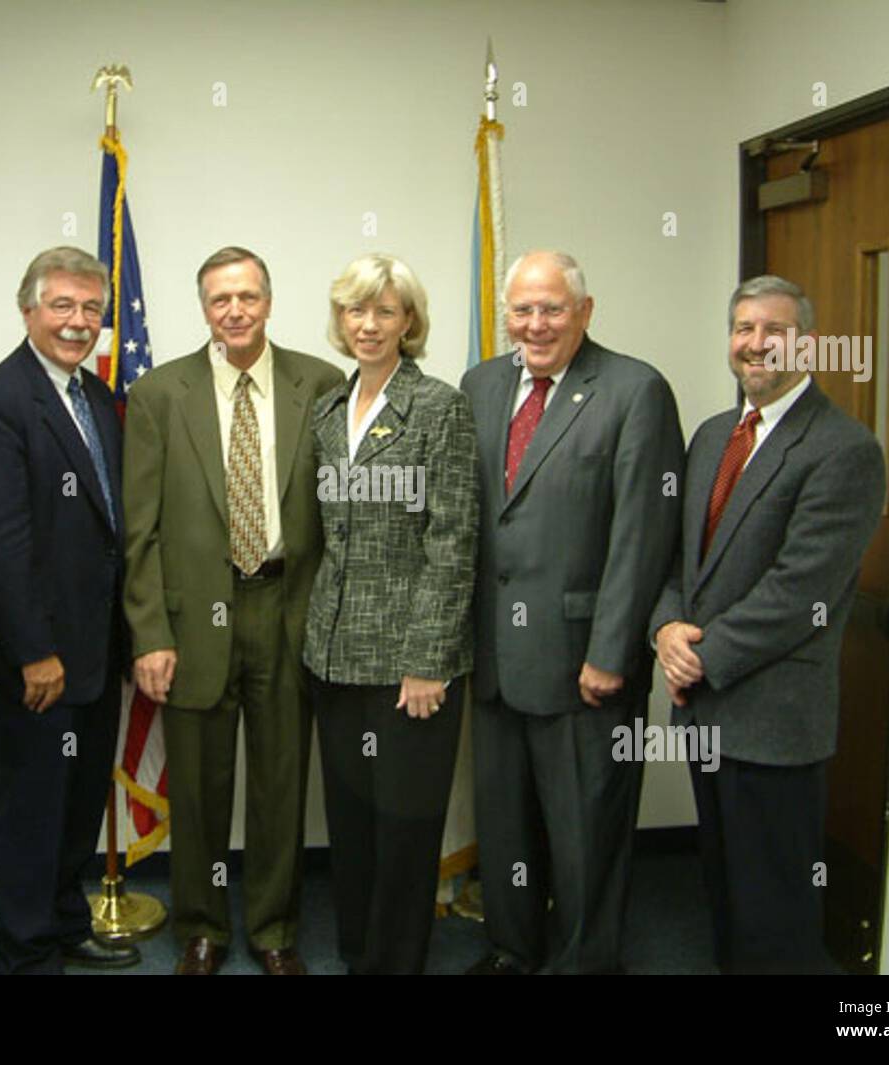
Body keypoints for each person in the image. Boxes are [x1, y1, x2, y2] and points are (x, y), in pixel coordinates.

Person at [650, 275, 884, 974]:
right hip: (704, 713)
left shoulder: (843, 449)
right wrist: (664, 629)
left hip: (775, 720)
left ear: (807, 343)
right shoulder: (714, 434)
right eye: (743, 328)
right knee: (723, 891)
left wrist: (701, 654)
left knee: (776, 909)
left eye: (773, 330)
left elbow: (799, 589)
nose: (755, 343)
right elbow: (677, 561)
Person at [460, 250, 684, 974]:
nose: (536, 323)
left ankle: (585, 961)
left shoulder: (634, 389)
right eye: (522, 309)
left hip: (586, 660)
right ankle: (511, 948)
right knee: (506, 830)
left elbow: (642, 536)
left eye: (552, 308)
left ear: (584, 311)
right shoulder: (482, 383)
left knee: (587, 834)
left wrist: (613, 651)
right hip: (495, 658)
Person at [123, 246, 343, 975]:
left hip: (287, 607)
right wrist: (149, 632)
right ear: (204, 308)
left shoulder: (320, 383)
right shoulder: (160, 393)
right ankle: (202, 926)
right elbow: (141, 529)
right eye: (221, 299)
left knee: (281, 784)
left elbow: (344, 517)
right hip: (192, 621)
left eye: (248, 296)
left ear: (270, 301)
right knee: (198, 785)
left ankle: (274, 928)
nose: (236, 310)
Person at [0, 246, 137, 974]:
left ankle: (64, 921)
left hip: (96, 651)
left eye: (92, 308)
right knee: (31, 809)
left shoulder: (95, 398)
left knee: (79, 802)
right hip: (40, 659)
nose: (78, 321)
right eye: (62, 305)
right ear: (28, 309)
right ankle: (25, 950)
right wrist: (35, 650)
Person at [304, 254, 479, 974]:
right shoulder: (325, 409)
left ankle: (394, 962)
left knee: (406, 829)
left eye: (384, 311)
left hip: (411, 661)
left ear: (409, 321)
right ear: (341, 322)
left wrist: (428, 658)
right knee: (351, 823)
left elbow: (454, 535)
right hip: (334, 653)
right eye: (355, 310)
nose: (368, 324)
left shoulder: (438, 407)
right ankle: (356, 954)